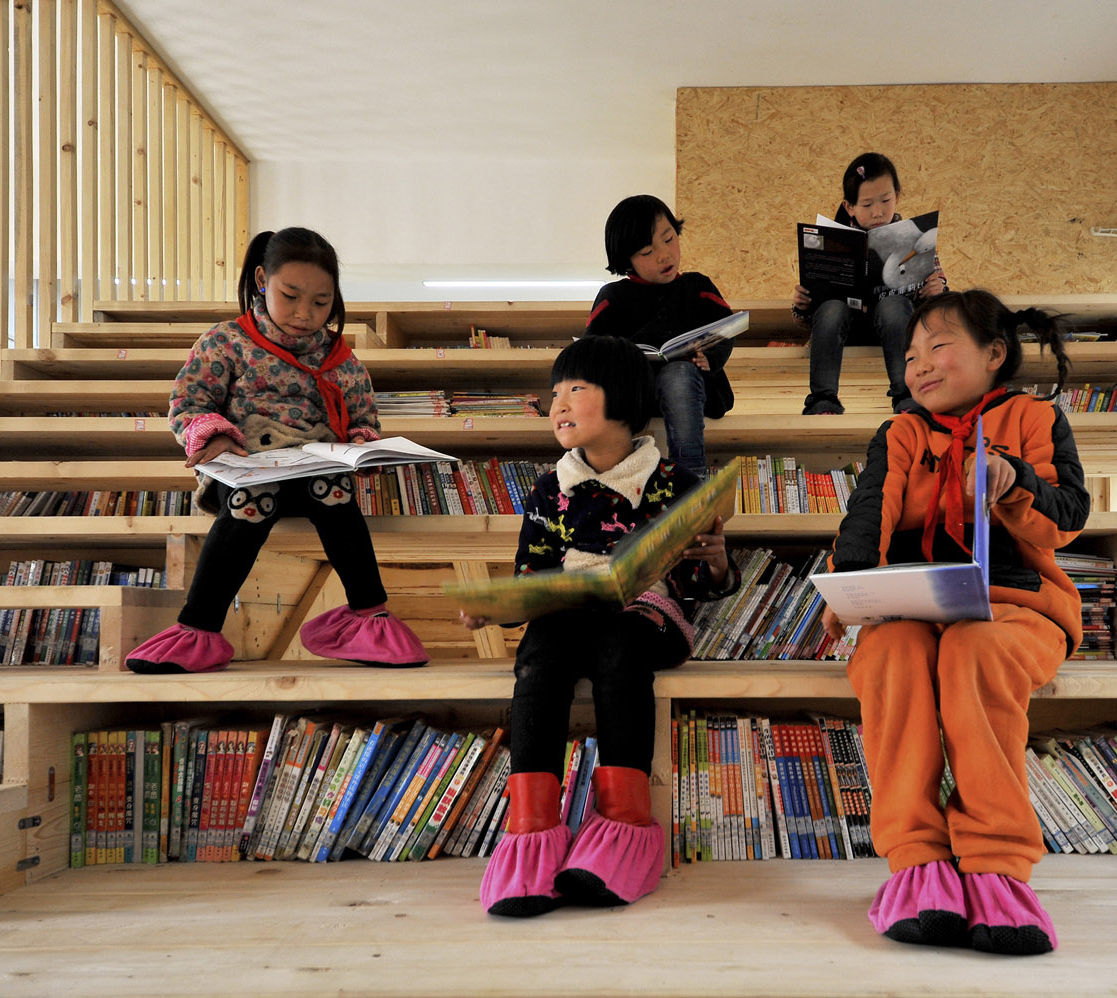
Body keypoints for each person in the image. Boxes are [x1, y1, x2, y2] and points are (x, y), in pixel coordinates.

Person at [822, 289, 1087, 955]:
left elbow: (1067, 519)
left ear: (995, 353)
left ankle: (997, 867)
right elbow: (867, 517)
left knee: (975, 651)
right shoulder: (901, 432)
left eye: (939, 347)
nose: (921, 365)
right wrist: (851, 591)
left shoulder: (1035, 417)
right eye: (911, 355)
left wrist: (1013, 479)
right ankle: (918, 863)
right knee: (890, 657)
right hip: (913, 608)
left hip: (1015, 609)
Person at [462, 335, 739, 917]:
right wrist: (500, 604)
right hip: (568, 615)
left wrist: (714, 562)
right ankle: (531, 829)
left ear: (624, 399)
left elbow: (700, 587)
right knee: (540, 655)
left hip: (645, 618)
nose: (557, 403)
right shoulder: (548, 489)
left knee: (618, 647)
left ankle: (623, 827)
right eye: (554, 392)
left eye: (575, 390)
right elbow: (530, 574)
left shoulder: (674, 484)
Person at [125, 226, 428, 674]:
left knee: (335, 489)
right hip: (249, 471)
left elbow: (364, 418)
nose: (305, 314)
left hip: (317, 473)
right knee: (252, 504)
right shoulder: (225, 341)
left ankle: (369, 615)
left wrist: (363, 446)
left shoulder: (341, 358)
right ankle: (198, 628)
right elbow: (188, 404)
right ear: (263, 279)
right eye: (290, 295)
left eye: (321, 302)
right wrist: (217, 437)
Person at [584, 194, 734, 479]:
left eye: (668, 239)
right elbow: (592, 351)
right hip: (637, 395)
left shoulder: (697, 285)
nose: (664, 255)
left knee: (677, 374)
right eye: (646, 252)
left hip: (693, 389)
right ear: (626, 260)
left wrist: (708, 358)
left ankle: (691, 479)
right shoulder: (613, 297)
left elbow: (726, 331)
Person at [793, 152, 947, 415]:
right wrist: (803, 305)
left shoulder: (913, 238)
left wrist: (938, 291)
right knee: (831, 309)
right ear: (849, 206)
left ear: (897, 195)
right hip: (844, 331)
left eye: (885, 200)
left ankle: (906, 396)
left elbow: (939, 305)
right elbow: (805, 319)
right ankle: (822, 400)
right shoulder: (833, 241)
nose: (878, 211)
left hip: (895, 331)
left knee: (894, 306)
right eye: (866, 204)